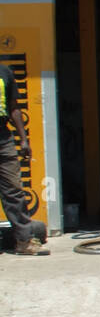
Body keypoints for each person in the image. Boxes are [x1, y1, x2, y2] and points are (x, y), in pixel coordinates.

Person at [0, 62, 47, 257]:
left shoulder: (4, 72)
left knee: (14, 190)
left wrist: (24, 139)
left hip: (3, 138)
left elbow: (14, 108)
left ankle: (25, 241)